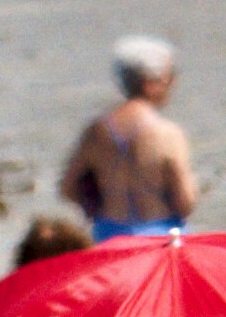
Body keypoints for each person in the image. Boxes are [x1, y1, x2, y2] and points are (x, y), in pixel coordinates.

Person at [62, 35, 193, 235]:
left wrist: (95, 206)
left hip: (109, 235)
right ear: (150, 83)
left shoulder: (97, 131)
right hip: (160, 236)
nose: (173, 84)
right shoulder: (168, 134)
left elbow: (68, 188)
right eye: (169, 77)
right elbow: (185, 202)